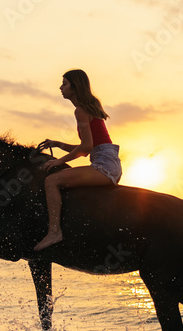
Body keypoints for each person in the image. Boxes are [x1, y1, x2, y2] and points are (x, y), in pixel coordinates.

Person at [33, 69, 121, 251]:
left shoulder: (80, 111)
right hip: (107, 161)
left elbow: (86, 147)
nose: (60, 87)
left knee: (51, 181)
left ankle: (54, 232)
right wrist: (58, 144)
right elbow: (88, 146)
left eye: (64, 83)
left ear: (75, 86)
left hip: (104, 165)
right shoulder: (87, 108)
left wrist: (59, 161)